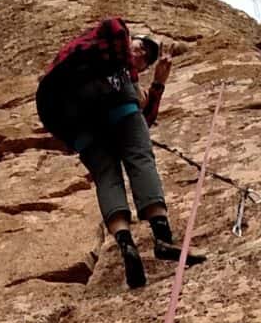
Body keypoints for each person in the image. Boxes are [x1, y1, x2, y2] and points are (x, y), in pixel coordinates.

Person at [35, 18, 202, 291]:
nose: (141, 54)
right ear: (128, 43)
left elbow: (142, 118)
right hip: (108, 109)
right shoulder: (111, 53)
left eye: (146, 58)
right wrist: (127, 55)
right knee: (140, 159)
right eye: (139, 47)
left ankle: (126, 244)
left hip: (79, 122)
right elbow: (113, 26)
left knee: (106, 177)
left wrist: (158, 83)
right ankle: (162, 237)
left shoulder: (122, 78)